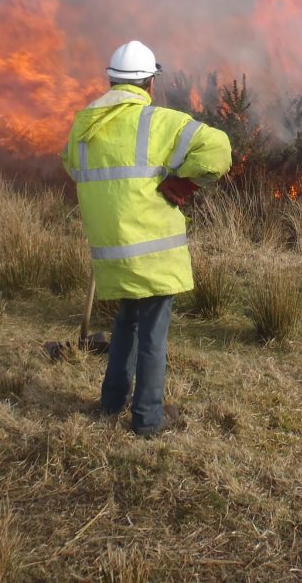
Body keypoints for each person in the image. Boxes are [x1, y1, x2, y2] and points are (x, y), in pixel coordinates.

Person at [62, 40, 232, 437]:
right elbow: (219, 150)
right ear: (149, 84)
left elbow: (73, 167)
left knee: (127, 320)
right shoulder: (159, 121)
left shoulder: (82, 126)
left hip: (111, 249)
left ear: (110, 82)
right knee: (153, 330)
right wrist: (182, 181)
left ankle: (111, 401)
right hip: (152, 249)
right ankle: (147, 419)